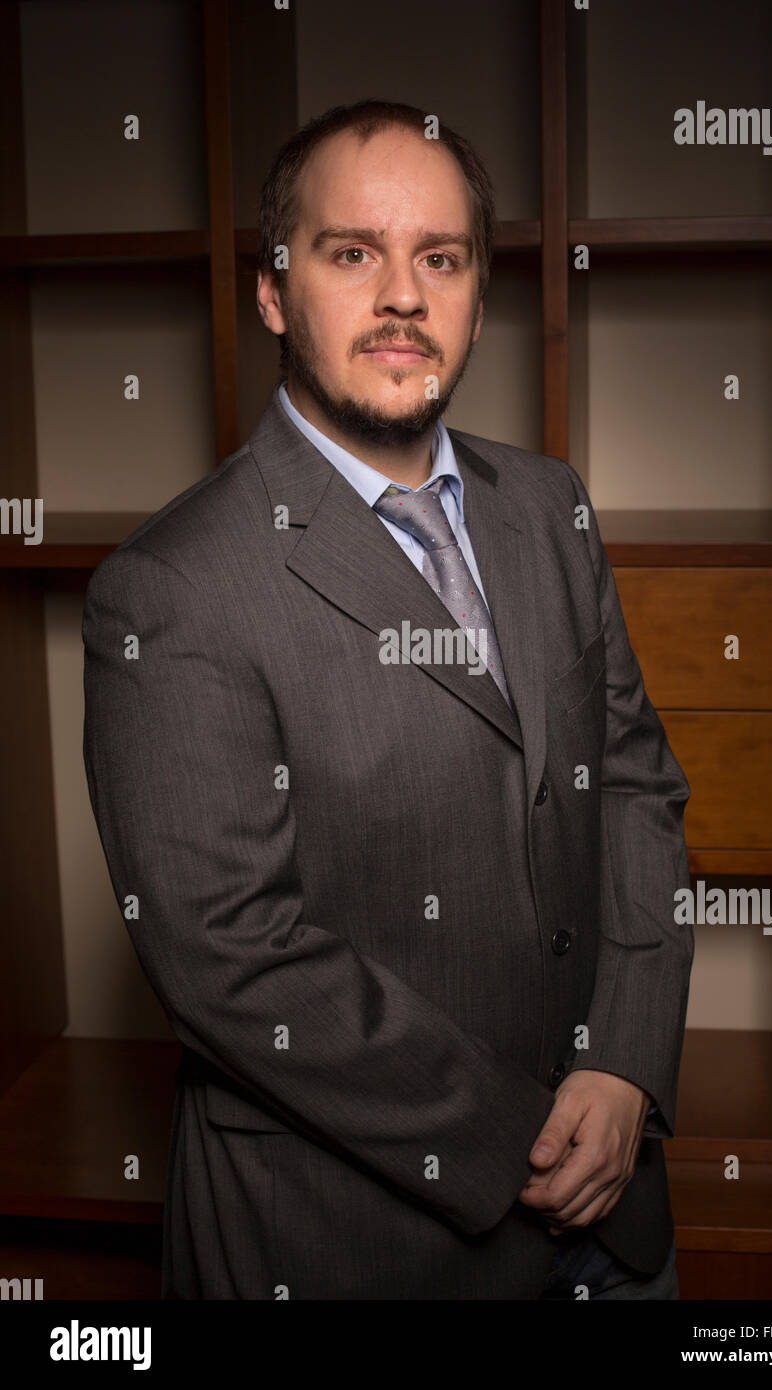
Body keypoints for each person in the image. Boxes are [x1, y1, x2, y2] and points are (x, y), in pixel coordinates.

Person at [82, 99, 693, 1300]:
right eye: (351, 252)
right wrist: (527, 1138)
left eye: (441, 259)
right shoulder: (169, 586)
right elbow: (230, 957)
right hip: (353, 1244)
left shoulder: (548, 507)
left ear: (475, 297)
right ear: (272, 291)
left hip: (617, 1220)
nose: (403, 295)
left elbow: (631, 786)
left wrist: (623, 1066)